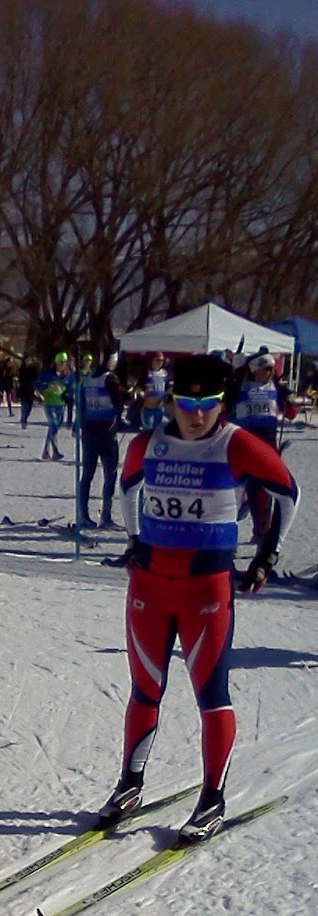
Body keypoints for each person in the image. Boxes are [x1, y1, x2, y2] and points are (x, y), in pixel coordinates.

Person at [98, 352, 300, 843]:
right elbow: (128, 488)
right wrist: (134, 539)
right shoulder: (149, 442)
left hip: (206, 589)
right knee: (145, 690)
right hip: (148, 584)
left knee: (211, 695)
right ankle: (130, 785)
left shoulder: (238, 446)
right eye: (184, 402)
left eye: (205, 404)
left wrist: (266, 557)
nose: (193, 414)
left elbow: (289, 494)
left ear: (221, 403)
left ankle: (213, 798)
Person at [231, 348, 296, 542]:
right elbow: (224, 410)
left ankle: (262, 530)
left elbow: (291, 413)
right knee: (237, 488)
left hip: (267, 444)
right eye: (267, 369)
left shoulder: (275, 387)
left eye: (272, 369)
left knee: (264, 489)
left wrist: (290, 402)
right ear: (255, 370)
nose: (271, 372)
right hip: (243, 443)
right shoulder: (239, 387)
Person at [77, 352, 124, 527]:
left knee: (87, 474)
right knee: (110, 473)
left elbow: (82, 404)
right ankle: (106, 516)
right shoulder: (110, 378)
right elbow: (118, 403)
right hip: (106, 431)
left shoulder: (88, 378)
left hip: (89, 430)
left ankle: (83, 515)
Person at [36, 352, 72, 459]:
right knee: (54, 424)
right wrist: (47, 386)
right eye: (60, 362)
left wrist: (67, 395)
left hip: (60, 404)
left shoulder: (68, 375)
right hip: (49, 403)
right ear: (56, 362)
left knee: (54, 427)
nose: (62, 364)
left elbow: (71, 387)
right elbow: (38, 384)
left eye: (64, 362)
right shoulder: (48, 374)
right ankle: (55, 451)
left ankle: (46, 451)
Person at [138, 351, 169, 431]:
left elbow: (168, 388)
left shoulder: (165, 373)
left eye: (162, 360)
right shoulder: (146, 373)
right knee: (148, 428)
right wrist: (142, 393)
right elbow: (138, 386)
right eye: (157, 360)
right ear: (152, 360)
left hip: (160, 406)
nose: (160, 363)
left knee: (158, 428)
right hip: (148, 406)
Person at [17, 355, 38, 428]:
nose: (27, 362)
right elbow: (20, 379)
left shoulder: (33, 368)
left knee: (29, 406)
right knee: (24, 405)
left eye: (29, 360)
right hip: (23, 389)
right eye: (26, 360)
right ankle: (23, 420)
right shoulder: (22, 369)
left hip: (30, 389)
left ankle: (25, 417)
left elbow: (36, 378)